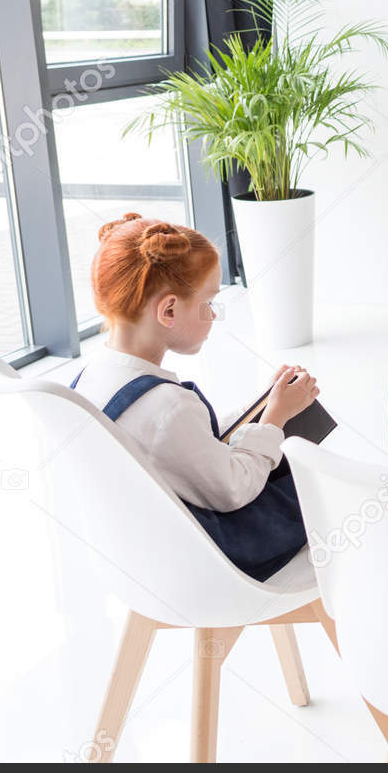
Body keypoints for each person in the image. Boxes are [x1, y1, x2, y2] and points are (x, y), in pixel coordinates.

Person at [70, 213, 315, 581]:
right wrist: (275, 419)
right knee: (318, 485)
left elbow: (185, 447)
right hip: (207, 565)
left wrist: (263, 406)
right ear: (168, 310)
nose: (214, 315)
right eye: (209, 303)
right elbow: (234, 488)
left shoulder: (90, 378)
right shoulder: (168, 407)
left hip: (137, 553)